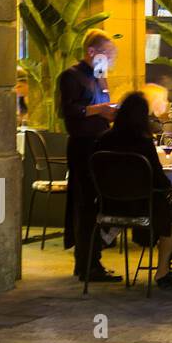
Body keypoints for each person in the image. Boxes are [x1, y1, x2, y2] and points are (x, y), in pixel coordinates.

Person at [94, 93, 172, 288]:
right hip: (142, 206)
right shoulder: (144, 143)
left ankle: (171, 248)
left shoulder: (103, 140)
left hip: (109, 205)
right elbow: (158, 177)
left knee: (169, 206)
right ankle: (163, 271)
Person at [59, 29, 121, 283]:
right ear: (91, 52)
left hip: (100, 147)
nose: (109, 60)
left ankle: (91, 260)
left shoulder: (99, 78)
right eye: (107, 54)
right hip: (83, 148)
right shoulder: (71, 76)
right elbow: (69, 111)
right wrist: (99, 110)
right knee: (85, 205)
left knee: (96, 205)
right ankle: (86, 265)